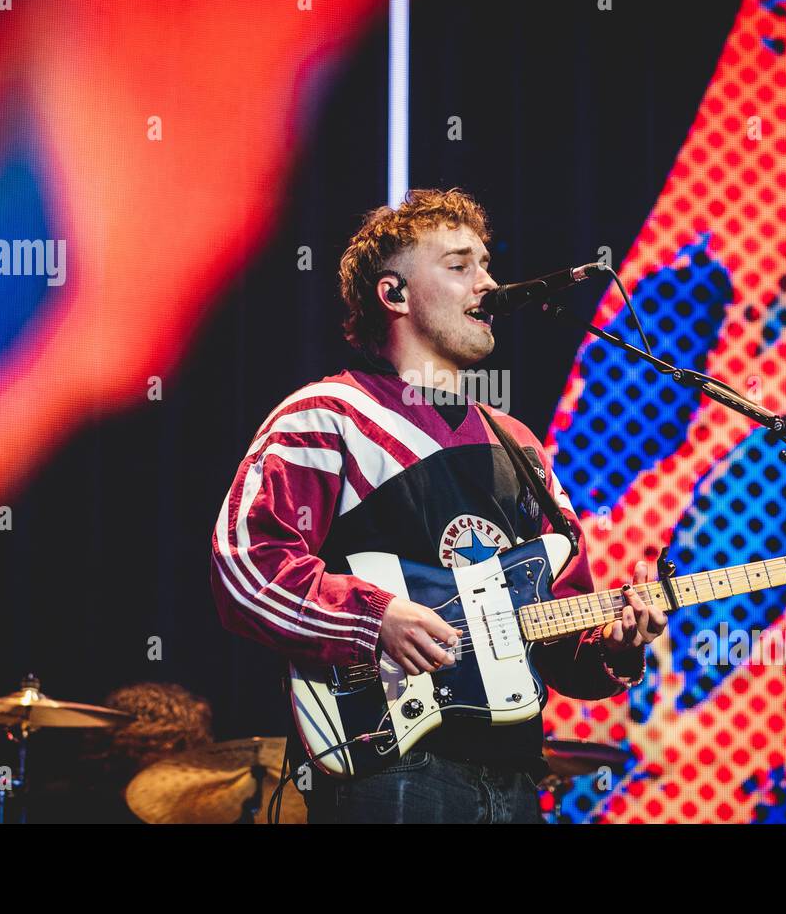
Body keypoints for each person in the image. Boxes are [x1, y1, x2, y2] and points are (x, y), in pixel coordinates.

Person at [210, 188, 665, 823]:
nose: (488, 282)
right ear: (393, 295)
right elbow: (246, 566)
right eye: (459, 266)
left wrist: (615, 646)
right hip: (389, 769)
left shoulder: (521, 446)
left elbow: (559, 632)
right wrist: (374, 618)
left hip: (514, 774)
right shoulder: (328, 416)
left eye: (485, 263)